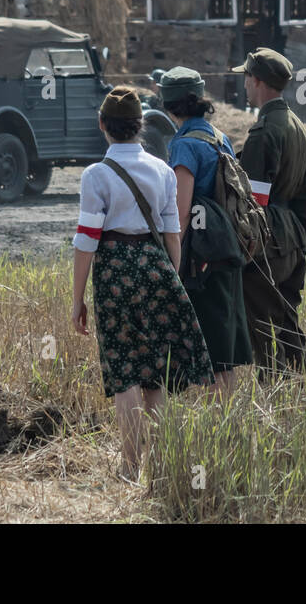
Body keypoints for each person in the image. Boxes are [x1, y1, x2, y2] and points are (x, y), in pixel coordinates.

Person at [70, 84, 214, 480]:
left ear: (103, 125)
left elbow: (86, 241)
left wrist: (77, 298)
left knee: (125, 372)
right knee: (156, 373)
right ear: (141, 126)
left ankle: (130, 469)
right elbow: (173, 235)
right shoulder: (163, 170)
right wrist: (173, 281)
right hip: (157, 268)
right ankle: (162, 467)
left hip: (114, 270)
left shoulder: (96, 175)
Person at [161, 66, 254, 394]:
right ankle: (229, 419)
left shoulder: (185, 145)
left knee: (209, 346)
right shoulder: (220, 137)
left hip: (201, 253)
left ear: (168, 105)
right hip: (225, 244)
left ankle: (218, 427)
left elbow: (180, 211)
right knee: (224, 346)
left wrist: (174, 259)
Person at [231, 47, 306, 379]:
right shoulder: (296, 124)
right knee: (287, 318)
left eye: (247, 78)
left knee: (262, 326)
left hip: (268, 240)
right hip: (292, 235)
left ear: (260, 82)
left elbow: (253, 206)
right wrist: (299, 239)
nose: (245, 85)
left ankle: (275, 394)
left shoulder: (264, 132)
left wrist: (246, 251)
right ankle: (300, 388)